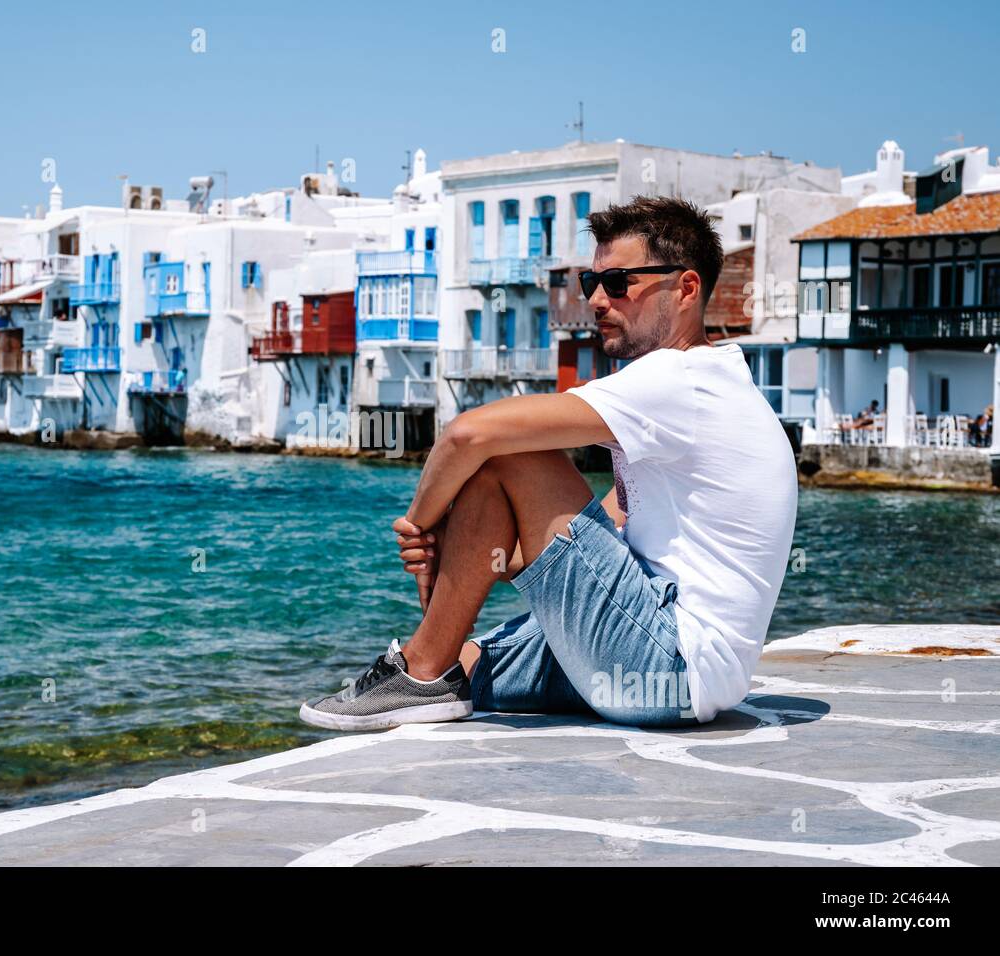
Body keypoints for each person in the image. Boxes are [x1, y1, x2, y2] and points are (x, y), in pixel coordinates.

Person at [299, 196, 798, 731]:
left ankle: (420, 673)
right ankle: (431, 673)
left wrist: (417, 526)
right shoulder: (708, 389)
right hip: (662, 671)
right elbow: (571, 545)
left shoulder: (681, 380)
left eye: (619, 283)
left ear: (686, 288)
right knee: (467, 664)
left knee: (514, 452)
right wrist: (463, 545)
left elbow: (467, 433)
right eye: (592, 283)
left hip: (666, 660)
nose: (598, 301)